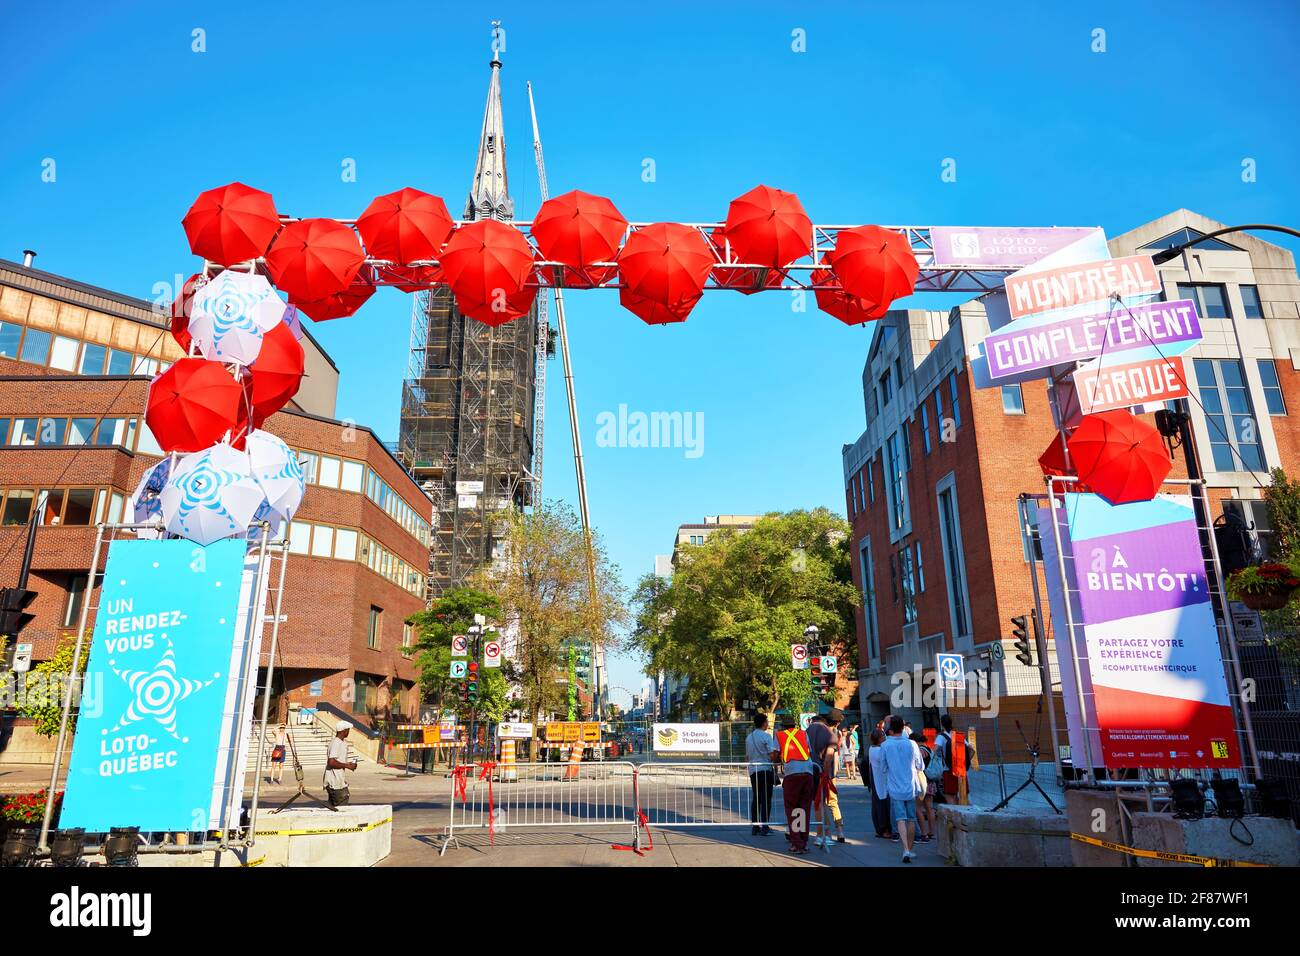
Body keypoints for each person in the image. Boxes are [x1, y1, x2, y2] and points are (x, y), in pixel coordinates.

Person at [880, 715, 924, 863]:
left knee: (900, 819)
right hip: (910, 785)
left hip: (894, 786)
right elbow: (920, 766)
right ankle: (910, 849)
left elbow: (883, 768)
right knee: (911, 818)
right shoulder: (912, 744)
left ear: (891, 729)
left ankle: (905, 849)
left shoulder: (885, 745)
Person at [776, 717, 815, 854]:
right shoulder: (804, 734)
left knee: (792, 810)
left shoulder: (779, 735)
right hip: (808, 773)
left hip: (792, 775)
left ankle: (796, 844)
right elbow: (809, 751)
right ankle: (803, 842)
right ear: (795, 725)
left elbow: (774, 754)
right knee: (804, 809)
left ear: (783, 726)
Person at [806, 710, 843, 848]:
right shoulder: (830, 735)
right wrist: (826, 775)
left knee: (816, 804)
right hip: (823, 772)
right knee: (826, 803)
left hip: (810, 770)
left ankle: (821, 834)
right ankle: (825, 835)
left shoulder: (807, 731)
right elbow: (828, 758)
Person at [745, 714, 779, 835]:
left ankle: (755, 826)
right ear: (764, 723)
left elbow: (747, 757)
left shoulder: (749, 737)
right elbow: (771, 755)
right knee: (766, 799)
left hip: (753, 770)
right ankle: (765, 826)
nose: (768, 724)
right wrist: (777, 755)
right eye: (767, 722)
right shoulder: (766, 736)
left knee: (756, 798)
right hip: (765, 769)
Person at [324, 721, 358, 807]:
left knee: (334, 808)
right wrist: (347, 766)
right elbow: (331, 762)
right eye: (348, 730)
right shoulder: (336, 742)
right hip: (335, 783)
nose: (348, 732)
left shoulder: (340, 742)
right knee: (342, 807)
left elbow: (337, 761)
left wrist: (349, 765)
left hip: (337, 781)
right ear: (343, 731)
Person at [911, 731, 937, 843]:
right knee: (929, 808)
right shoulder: (929, 749)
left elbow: (918, 766)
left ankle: (923, 833)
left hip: (922, 781)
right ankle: (932, 832)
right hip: (931, 782)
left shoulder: (920, 751)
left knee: (918, 808)